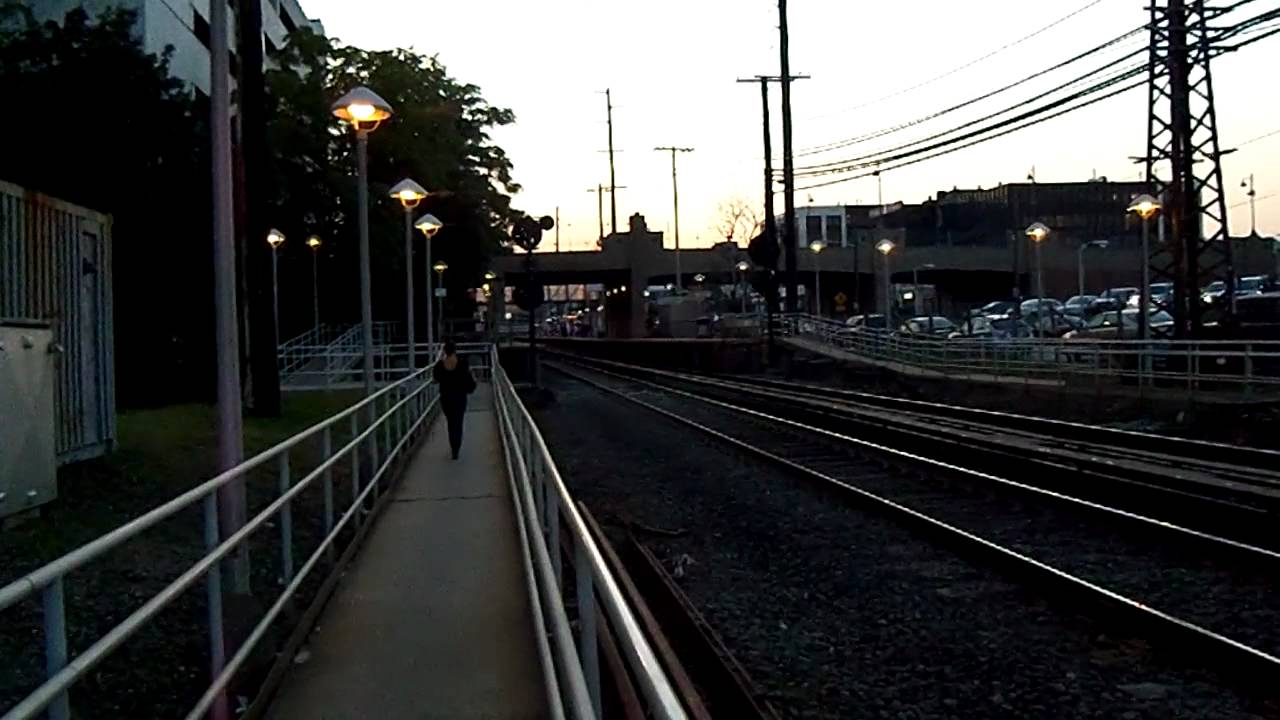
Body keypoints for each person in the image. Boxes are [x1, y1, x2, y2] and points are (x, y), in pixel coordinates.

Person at [433, 339, 477, 459]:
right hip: (459, 396)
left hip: (446, 397)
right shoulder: (462, 363)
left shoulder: (439, 365)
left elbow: (435, 379)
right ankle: (456, 447)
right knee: (458, 421)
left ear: (444, 351)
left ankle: (453, 444)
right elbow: (468, 377)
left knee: (451, 421)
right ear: (455, 350)